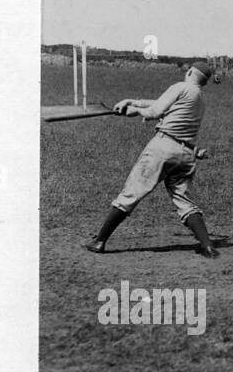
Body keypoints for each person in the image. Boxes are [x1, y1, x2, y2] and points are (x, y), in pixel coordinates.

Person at [83, 61, 220, 258]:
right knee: (184, 201)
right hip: (186, 155)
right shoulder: (199, 98)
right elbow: (160, 102)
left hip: (163, 148)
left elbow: (155, 111)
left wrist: (136, 111)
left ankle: (99, 241)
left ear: (190, 72)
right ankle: (207, 246)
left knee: (132, 192)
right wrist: (133, 101)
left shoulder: (180, 87)